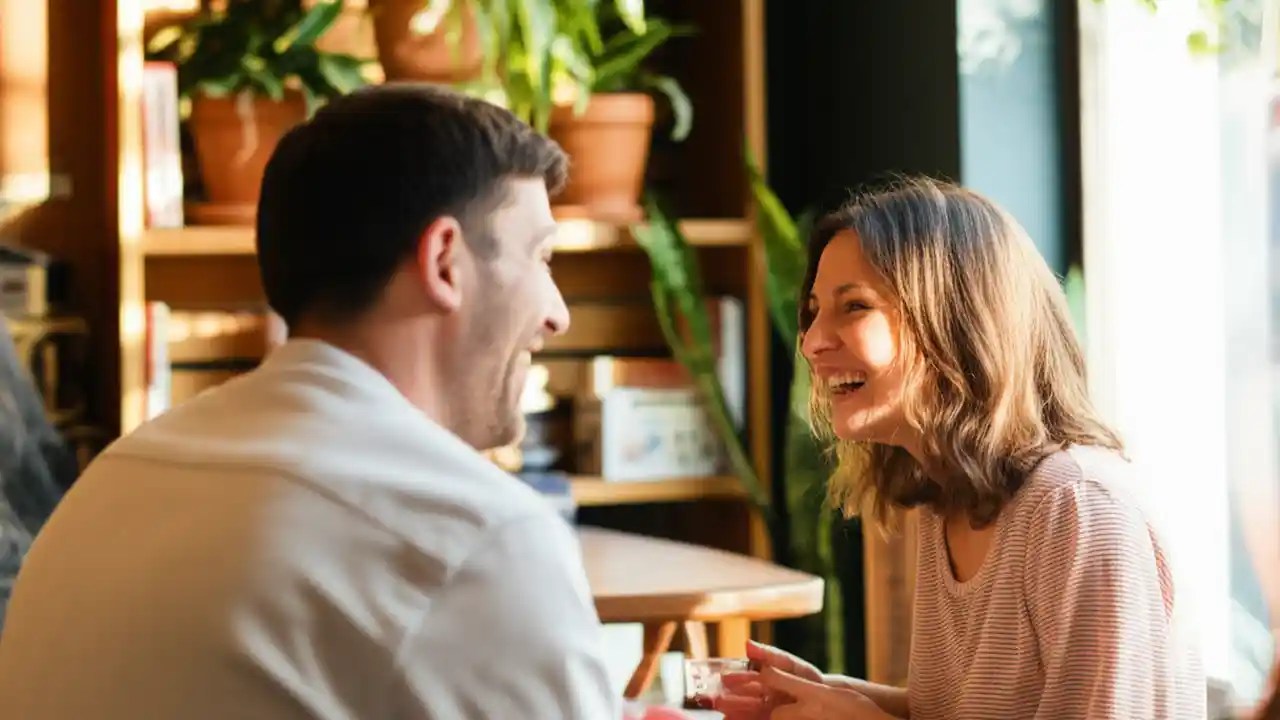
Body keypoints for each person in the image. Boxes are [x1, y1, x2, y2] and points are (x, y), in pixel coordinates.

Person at [0, 83, 620, 719]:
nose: (558, 314)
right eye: (542, 257)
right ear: (444, 262)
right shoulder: (479, 539)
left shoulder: (108, 489)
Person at [717, 178, 1205, 719]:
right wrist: (834, 695)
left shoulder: (1079, 511)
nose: (810, 342)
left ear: (956, 321)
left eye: (853, 306)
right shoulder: (949, 499)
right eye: (813, 311)